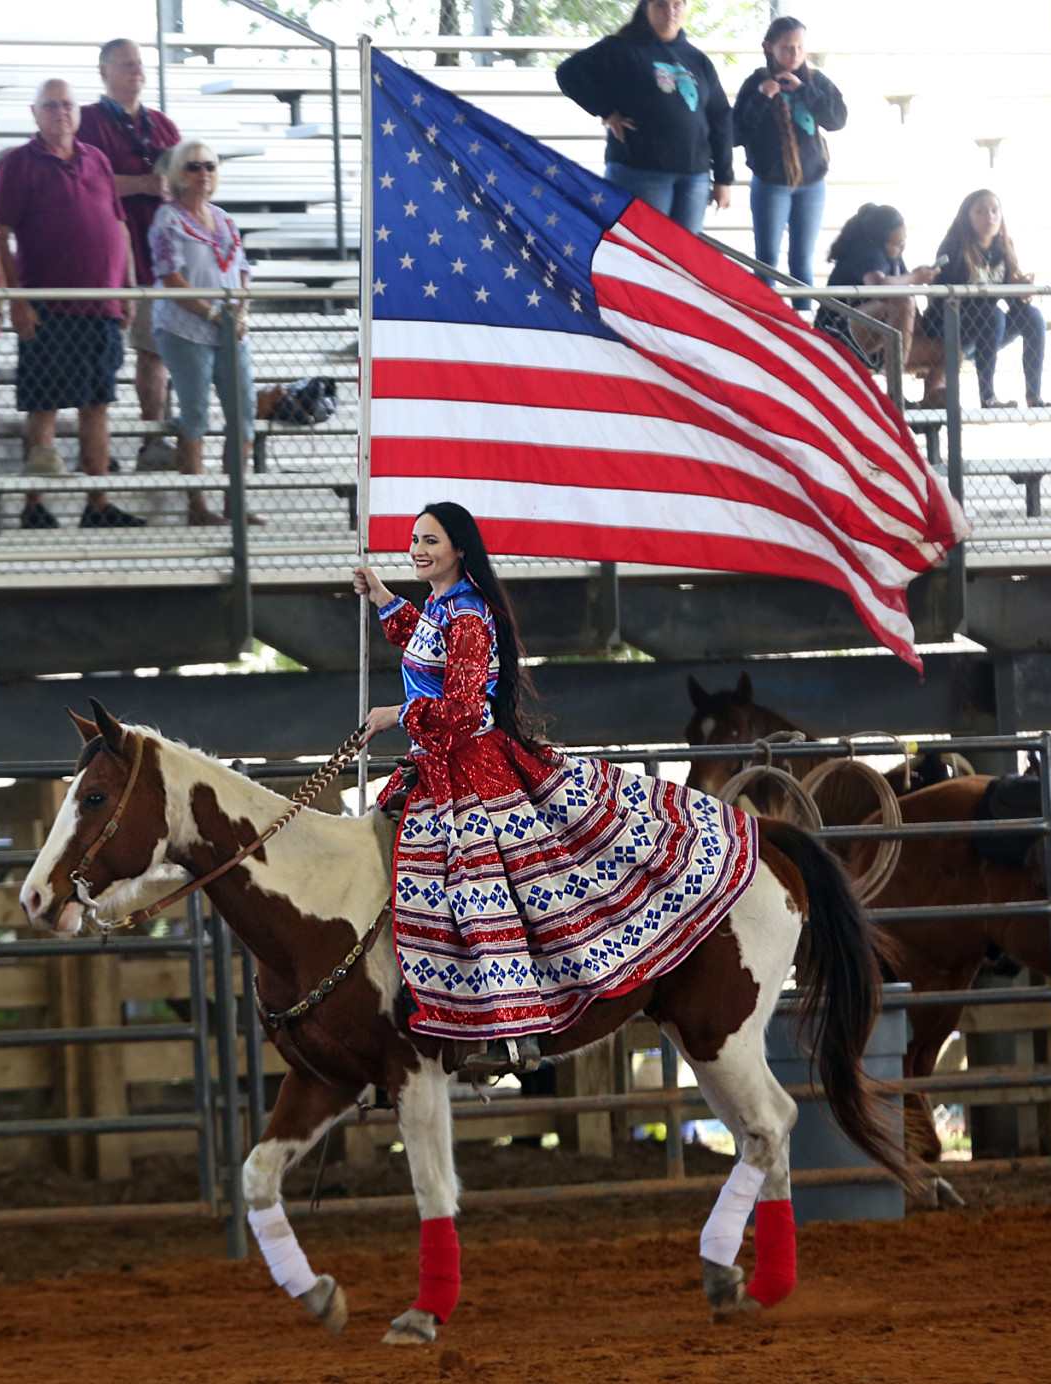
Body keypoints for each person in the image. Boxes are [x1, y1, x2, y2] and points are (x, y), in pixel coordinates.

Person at [352, 503, 755, 1070]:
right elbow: (422, 643)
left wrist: (399, 715)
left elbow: (465, 708)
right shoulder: (441, 607)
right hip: (437, 763)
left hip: (474, 766)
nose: (417, 549)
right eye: (414, 539)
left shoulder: (469, 616)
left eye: (430, 541)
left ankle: (514, 1024)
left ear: (460, 548)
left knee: (481, 886)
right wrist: (383, 599)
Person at [0, 78, 142, 529]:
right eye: (50, 105)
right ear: (34, 113)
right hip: (48, 307)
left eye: (68, 105)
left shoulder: (96, 159)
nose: (60, 112)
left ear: (79, 112)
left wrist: (128, 285)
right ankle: (34, 505)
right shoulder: (19, 163)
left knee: (98, 405)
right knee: (44, 405)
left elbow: (118, 225)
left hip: (101, 307)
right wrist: (17, 300)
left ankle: (97, 505)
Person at [77, 37, 180, 472]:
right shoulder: (86, 122)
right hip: (105, 258)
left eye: (140, 63)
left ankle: (150, 439)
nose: (136, 71)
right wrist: (142, 184)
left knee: (153, 353)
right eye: (126, 64)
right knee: (95, 352)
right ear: (104, 71)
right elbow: (83, 180)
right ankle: (92, 454)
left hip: (158, 258)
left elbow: (189, 182)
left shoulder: (162, 125)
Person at [148, 139, 259, 527]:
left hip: (228, 330)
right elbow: (170, 276)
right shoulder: (168, 218)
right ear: (179, 172)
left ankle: (235, 504)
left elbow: (242, 269)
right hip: (185, 330)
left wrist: (239, 311)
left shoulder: (225, 219)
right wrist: (212, 313)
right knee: (194, 414)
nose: (203, 173)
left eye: (209, 166)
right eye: (194, 166)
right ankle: (197, 506)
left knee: (244, 414)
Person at [555, 0, 734, 235]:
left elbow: (720, 118)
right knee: (642, 255)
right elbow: (569, 73)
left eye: (677, 5)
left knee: (684, 259)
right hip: (640, 172)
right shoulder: (619, 48)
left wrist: (723, 178)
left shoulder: (697, 59)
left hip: (694, 176)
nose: (670, 12)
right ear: (645, 8)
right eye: (661, 5)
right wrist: (606, 110)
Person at [732, 15, 844, 310]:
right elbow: (735, 133)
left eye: (799, 48)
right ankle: (764, 322)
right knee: (767, 257)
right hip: (771, 184)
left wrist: (804, 90)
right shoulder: (756, 82)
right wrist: (761, 97)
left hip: (812, 183)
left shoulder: (815, 81)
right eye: (786, 47)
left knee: (802, 259)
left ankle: (803, 323)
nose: (794, 55)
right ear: (770, 47)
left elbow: (837, 120)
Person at [933, 189, 1051, 409]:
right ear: (967, 216)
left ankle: (1034, 397)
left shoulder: (1004, 246)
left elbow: (1011, 302)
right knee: (993, 315)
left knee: (1032, 316)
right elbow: (945, 297)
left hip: (989, 324)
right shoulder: (953, 246)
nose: (989, 217)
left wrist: (1019, 291)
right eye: (981, 211)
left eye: (995, 211)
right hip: (950, 322)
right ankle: (988, 397)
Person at [820, 202, 941, 397]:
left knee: (950, 352)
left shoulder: (894, 255)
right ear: (876, 239)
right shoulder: (866, 251)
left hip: (880, 344)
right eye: (895, 243)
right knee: (903, 301)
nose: (899, 248)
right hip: (838, 335)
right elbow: (878, 286)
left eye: (903, 243)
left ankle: (933, 403)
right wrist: (914, 277)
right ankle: (895, 396)